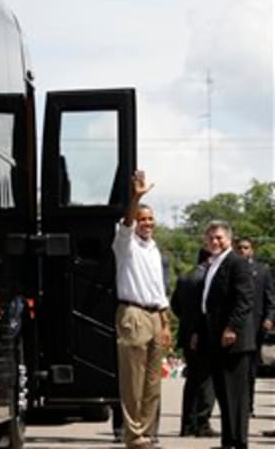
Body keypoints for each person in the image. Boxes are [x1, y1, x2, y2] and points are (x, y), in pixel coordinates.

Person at [112, 170, 170, 449]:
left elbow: (159, 290)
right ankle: (133, 435)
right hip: (133, 315)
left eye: (150, 219)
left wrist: (166, 322)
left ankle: (146, 433)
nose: (146, 223)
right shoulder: (126, 244)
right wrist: (136, 197)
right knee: (133, 383)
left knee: (152, 384)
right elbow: (125, 222)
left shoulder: (154, 249)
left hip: (155, 315)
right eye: (141, 219)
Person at [195, 221, 255, 449]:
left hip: (233, 340)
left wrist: (232, 328)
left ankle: (238, 442)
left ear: (229, 239)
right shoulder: (213, 264)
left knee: (236, 396)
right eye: (210, 238)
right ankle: (228, 440)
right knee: (223, 393)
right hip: (215, 338)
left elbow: (244, 299)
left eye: (219, 237)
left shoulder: (236, 263)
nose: (215, 241)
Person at [170, 248, 217, 437]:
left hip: (187, 333)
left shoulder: (184, 278)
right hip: (204, 334)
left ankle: (187, 424)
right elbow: (205, 309)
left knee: (192, 381)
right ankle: (202, 422)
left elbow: (175, 306)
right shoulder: (208, 279)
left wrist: (187, 325)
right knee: (207, 381)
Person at [234, 236, 274, 417]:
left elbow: (270, 299)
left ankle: (247, 406)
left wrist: (269, 318)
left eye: (246, 248)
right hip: (235, 326)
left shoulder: (262, 271)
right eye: (240, 248)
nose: (243, 251)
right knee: (235, 369)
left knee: (250, 369)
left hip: (256, 326)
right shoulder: (230, 269)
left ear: (252, 250)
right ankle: (234, 407)